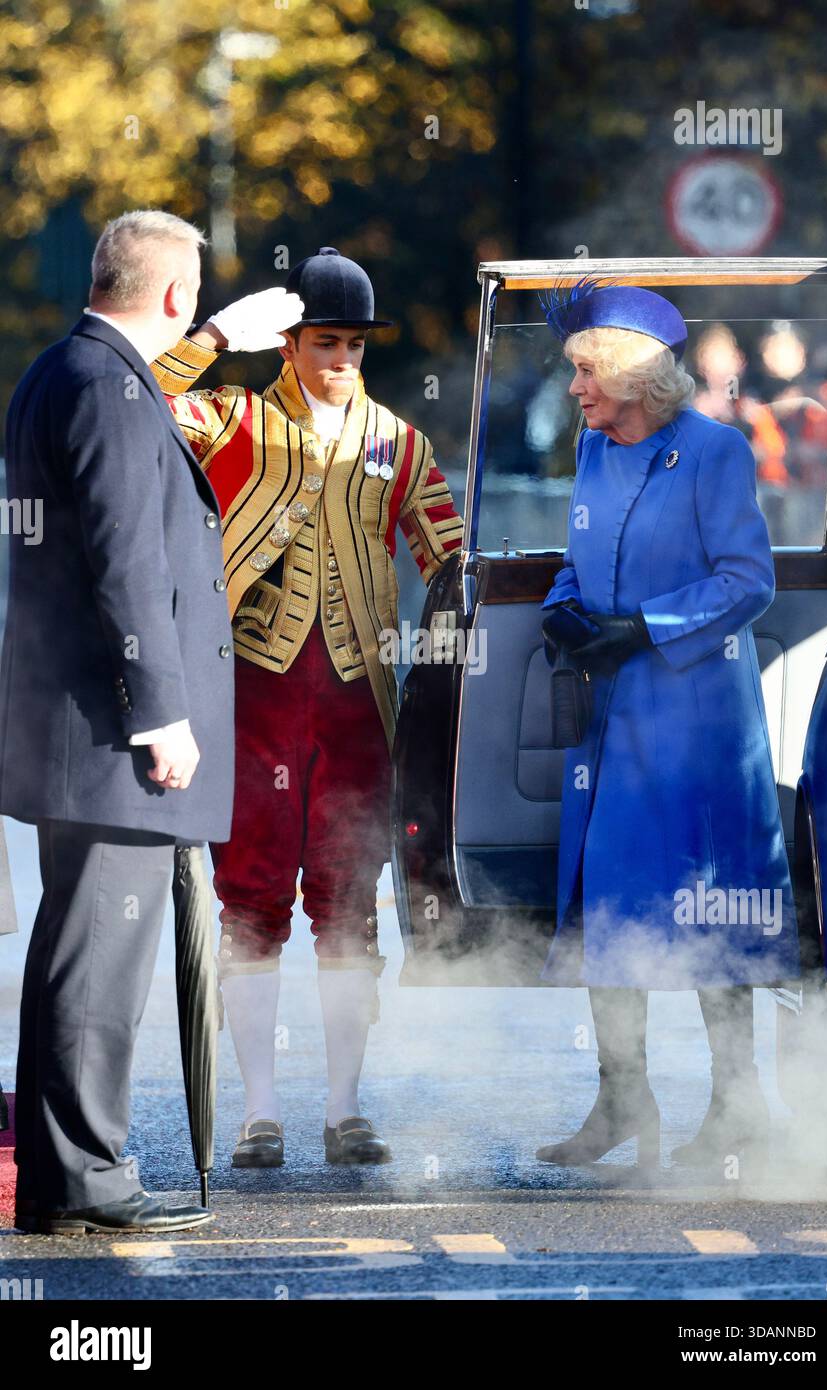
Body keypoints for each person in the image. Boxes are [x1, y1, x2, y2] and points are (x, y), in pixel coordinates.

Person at [150, 248, 463, 1166]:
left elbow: (446, 554)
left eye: (354, 345)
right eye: (324, 342)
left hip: (359, 705)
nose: (340, 360)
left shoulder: (401, 442)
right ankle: (257, 1110)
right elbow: (137, 400)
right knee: (249, 902)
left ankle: (343, 1107)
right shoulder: (235, 417)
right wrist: (207, 340)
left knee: (347, 903)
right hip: (251, 692)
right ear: (286, 345)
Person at [0, 211, 235, 1233]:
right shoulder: (106, 385)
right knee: (98, 966)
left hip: (78, 727)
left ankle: (63, 1179)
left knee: (76, 956)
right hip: (111, 732)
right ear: (175, 296)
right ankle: (86, 1181)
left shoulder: (69, 368)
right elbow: (125, 564)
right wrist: (162, 714)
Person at [534, 279, 800, 1170]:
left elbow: (746, 580)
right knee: (610, 901)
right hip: (611, 718)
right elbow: (578, 557)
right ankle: (621, 1098)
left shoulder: (717, 452)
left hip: (696, 720)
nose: (574, 390)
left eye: (584, 373)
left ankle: (739, 1103)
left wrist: (643, 627)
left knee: (710, 899)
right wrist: (564, 606)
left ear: (631, 376)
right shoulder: (593, 450)